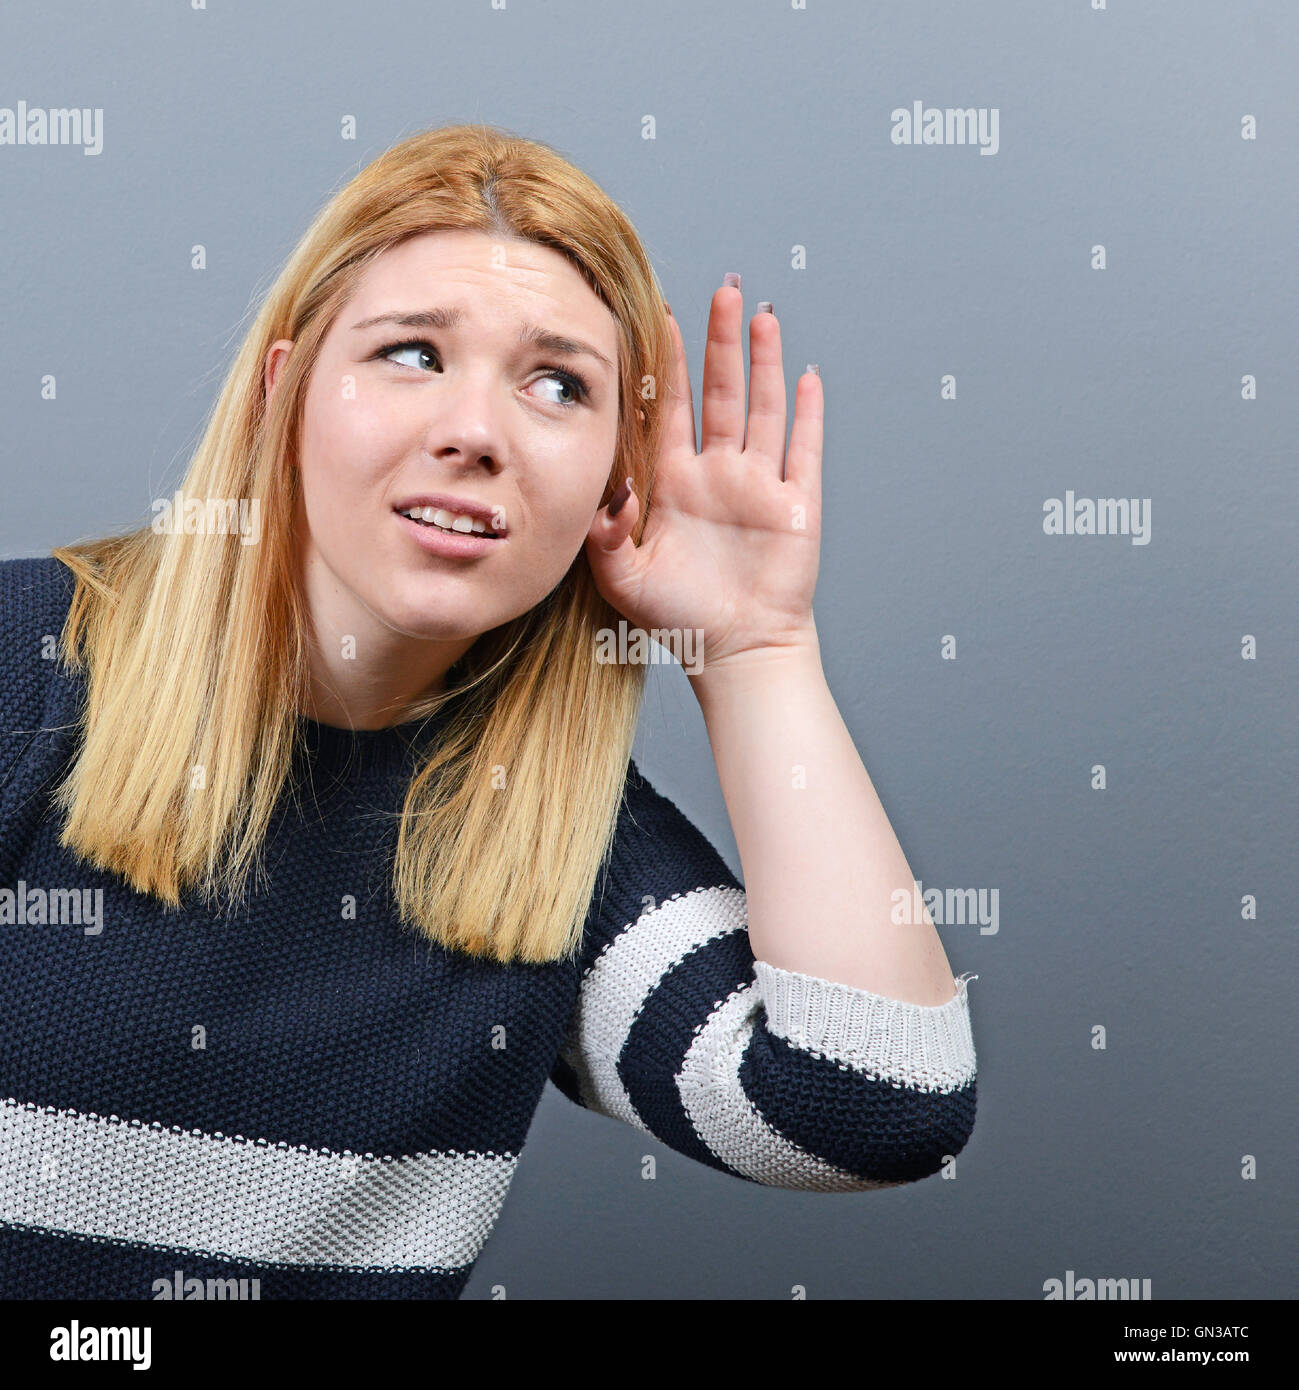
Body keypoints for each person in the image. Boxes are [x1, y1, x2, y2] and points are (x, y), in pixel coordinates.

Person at [0, 123, 977, 1300]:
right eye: (412, 353)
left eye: (558, 385)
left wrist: (756, 652)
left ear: (617, 478)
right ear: (286, 393)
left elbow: (875, 1108)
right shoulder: (31, 668)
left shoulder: (554, 830)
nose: (474, 432)